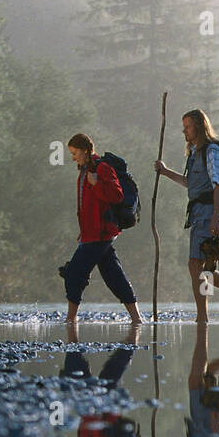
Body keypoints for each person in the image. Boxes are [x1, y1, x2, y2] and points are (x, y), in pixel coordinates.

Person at [154, 109, 219, 324]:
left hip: (209, 213)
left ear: (199, 126)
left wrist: (216, 217)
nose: (184, 131)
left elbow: (218, 184)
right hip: (200, 213)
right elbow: (191, 184)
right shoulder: (195, 153)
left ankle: (204, 316)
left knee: (196, 265)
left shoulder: (212, 151)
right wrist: (165, 172)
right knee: (199, 267)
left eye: (188, 127)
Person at [63, 134, 142, 326]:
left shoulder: (102, 168)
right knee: (113, 275)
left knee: (74, 272)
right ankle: (137, 319)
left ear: (84, 150)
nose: (73, 157)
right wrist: (83, 232)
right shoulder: (84, 172)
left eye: (74, 153)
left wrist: (96, 184)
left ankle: (70, 320)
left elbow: (116, 196)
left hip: (101, 234)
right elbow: (86, 207)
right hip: (91, 234)